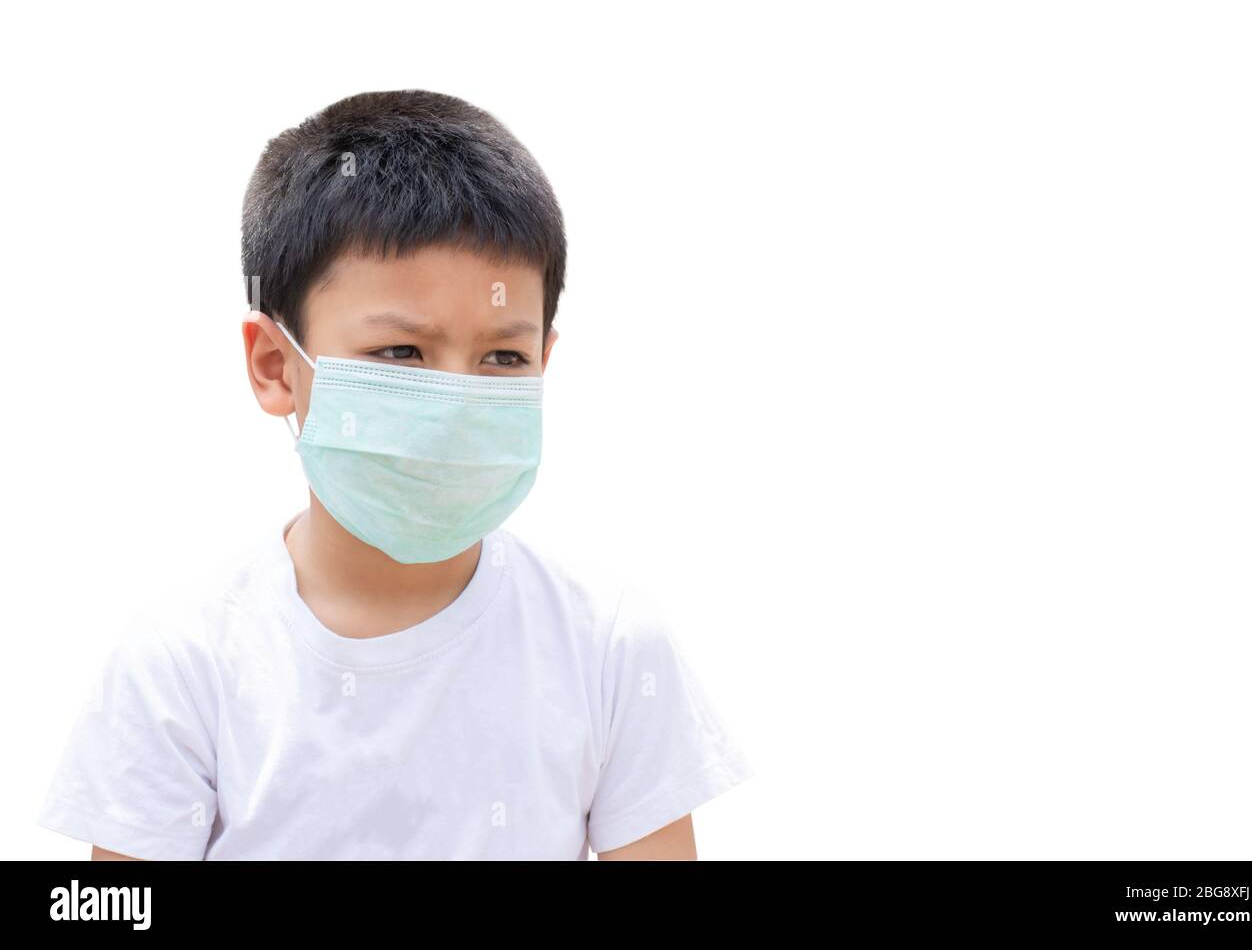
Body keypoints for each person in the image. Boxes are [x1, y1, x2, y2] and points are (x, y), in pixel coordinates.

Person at [34, 89, 754, 860]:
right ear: (276, 365)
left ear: (545, 362)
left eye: (503, 358)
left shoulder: (609, 649)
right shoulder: (182, 665)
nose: (453, 404)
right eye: (401, 354)